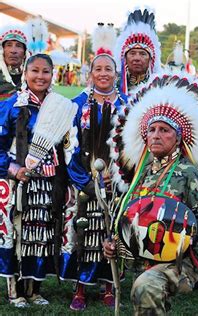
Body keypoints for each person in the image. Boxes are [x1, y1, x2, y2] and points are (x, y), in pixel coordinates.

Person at [102, 70, 198, 315]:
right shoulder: (141, 173)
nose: (156, 135)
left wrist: (171, 239)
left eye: (165, 130)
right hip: (143, 257)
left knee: (145, 287)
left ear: (178, 138)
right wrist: (115, 243)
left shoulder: (189, 174)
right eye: (152, 130)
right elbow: (128, 218)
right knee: (144, 292)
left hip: (181, 261)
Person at [0, 53, 78, 308]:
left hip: (49, 182)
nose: (40, 77)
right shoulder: (12, 105)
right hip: (17, 182)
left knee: (40, 235)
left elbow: (68, 146)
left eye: (45, 72)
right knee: (17, 234)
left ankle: (34, 288)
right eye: (35, 71)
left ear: (52, 74)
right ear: (25, 73)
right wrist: (13, 170)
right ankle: (14, 291)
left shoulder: (60, 106)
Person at [60, 23, 128, 311]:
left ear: (116, 74)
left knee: (111, 233)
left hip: (115, 183)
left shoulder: (128, 106)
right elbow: (68, 148)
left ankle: (108, 284)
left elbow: (132, 148)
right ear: (90, 74)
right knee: (82, 233)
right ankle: (80, 288)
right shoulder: (76, 105)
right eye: (98, 69)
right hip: (83, 182)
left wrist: (119, 176)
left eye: (108, 69)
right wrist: (84, 182)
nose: (103, 73)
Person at [115, 8, 161, 95]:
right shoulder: (112, 86)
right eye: (132, 53)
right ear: (124, 58)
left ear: (151, 59)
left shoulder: (160, 87)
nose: (137, 58)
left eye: (143, 54)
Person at [0, 24, 28, 102]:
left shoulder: (33, 77)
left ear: (25, 52)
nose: (13, 51)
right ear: (3, 51)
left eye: (18, 46)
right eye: (9, 45)